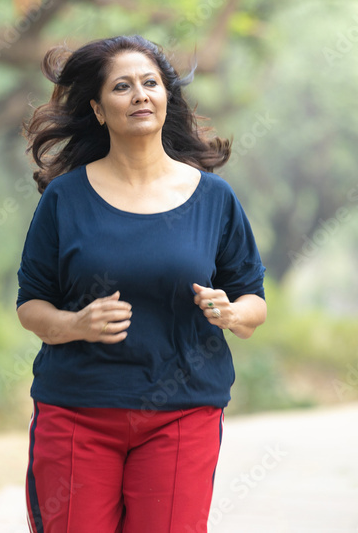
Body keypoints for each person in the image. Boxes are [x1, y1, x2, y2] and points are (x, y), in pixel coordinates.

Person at [15, 35, 267, 532]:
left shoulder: (213, 199)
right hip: (77, 412)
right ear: (98, 109)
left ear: (166, 97)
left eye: (150, 83)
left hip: (182, 414)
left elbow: (253, 300)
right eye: (123, 87)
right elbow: (31, 305)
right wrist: (75, 323)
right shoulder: (66, 199)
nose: (140, 95)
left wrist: (232, 314)